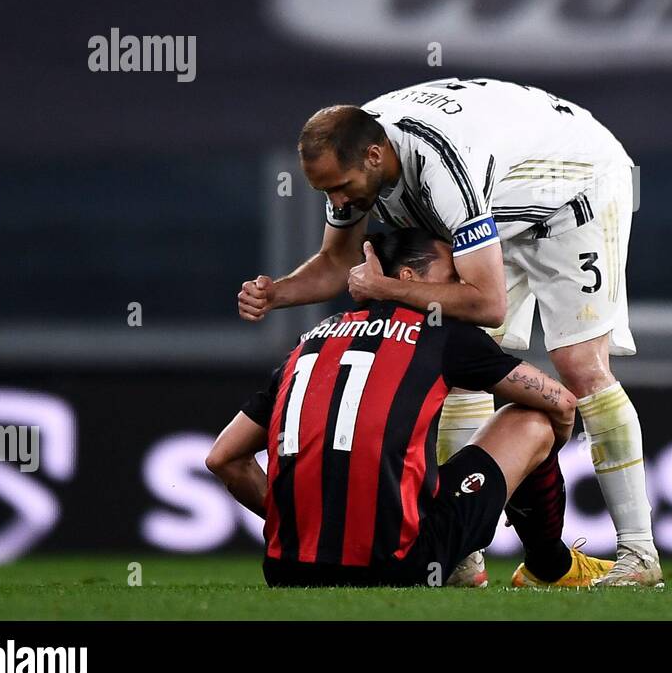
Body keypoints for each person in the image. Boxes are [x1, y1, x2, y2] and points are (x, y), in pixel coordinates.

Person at [237, 78, 661, 587]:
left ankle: (639, 552)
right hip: (499, 201)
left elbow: (488, 303)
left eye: (340, 186)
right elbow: (338, 262)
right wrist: (277, 292)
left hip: (574, 190)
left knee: (578, 364)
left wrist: (386, 287)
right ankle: (462, 560)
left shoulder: (442, 169)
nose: (338, 200)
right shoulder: (356, 150)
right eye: (325, 191)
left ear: (375, 156)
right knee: (458, 367)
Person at [210, 228, 613, 588]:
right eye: (451, 277)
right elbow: (561, 402)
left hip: (288, 569)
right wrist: (537, 462)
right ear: (407, 278)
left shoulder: (309, 341)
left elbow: (223, 458)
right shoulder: (443, 333)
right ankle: (550, 565)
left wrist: (302, 527)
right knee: (532, 421)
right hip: (398, 566)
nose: (462, 287)